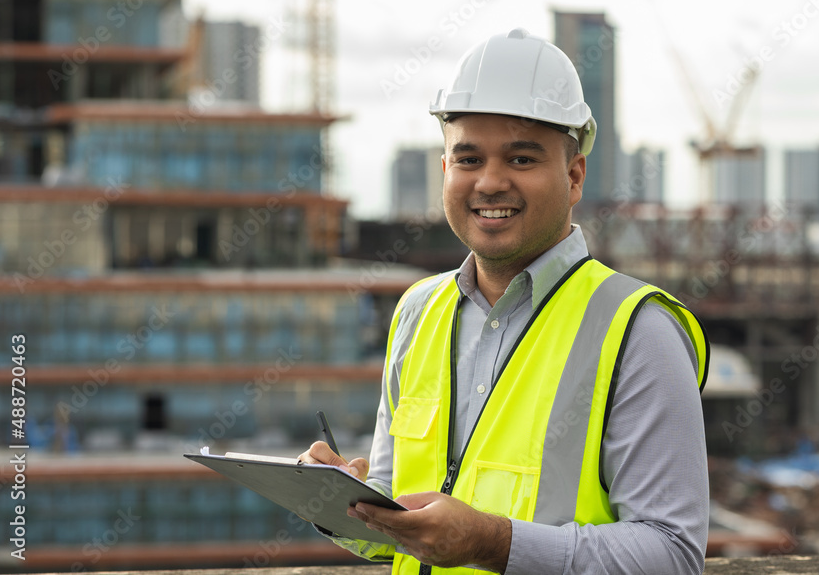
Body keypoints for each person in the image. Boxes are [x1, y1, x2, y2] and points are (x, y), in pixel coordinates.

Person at [299, 28, 711, 574]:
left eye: (521, 159)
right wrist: (343, 504)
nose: (489, 182)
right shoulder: (419, 312)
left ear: (573, 175)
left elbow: (673, 556)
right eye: (467, 159)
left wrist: (492, 543)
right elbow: (402, 518)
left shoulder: (638, 330)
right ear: (445, 171)